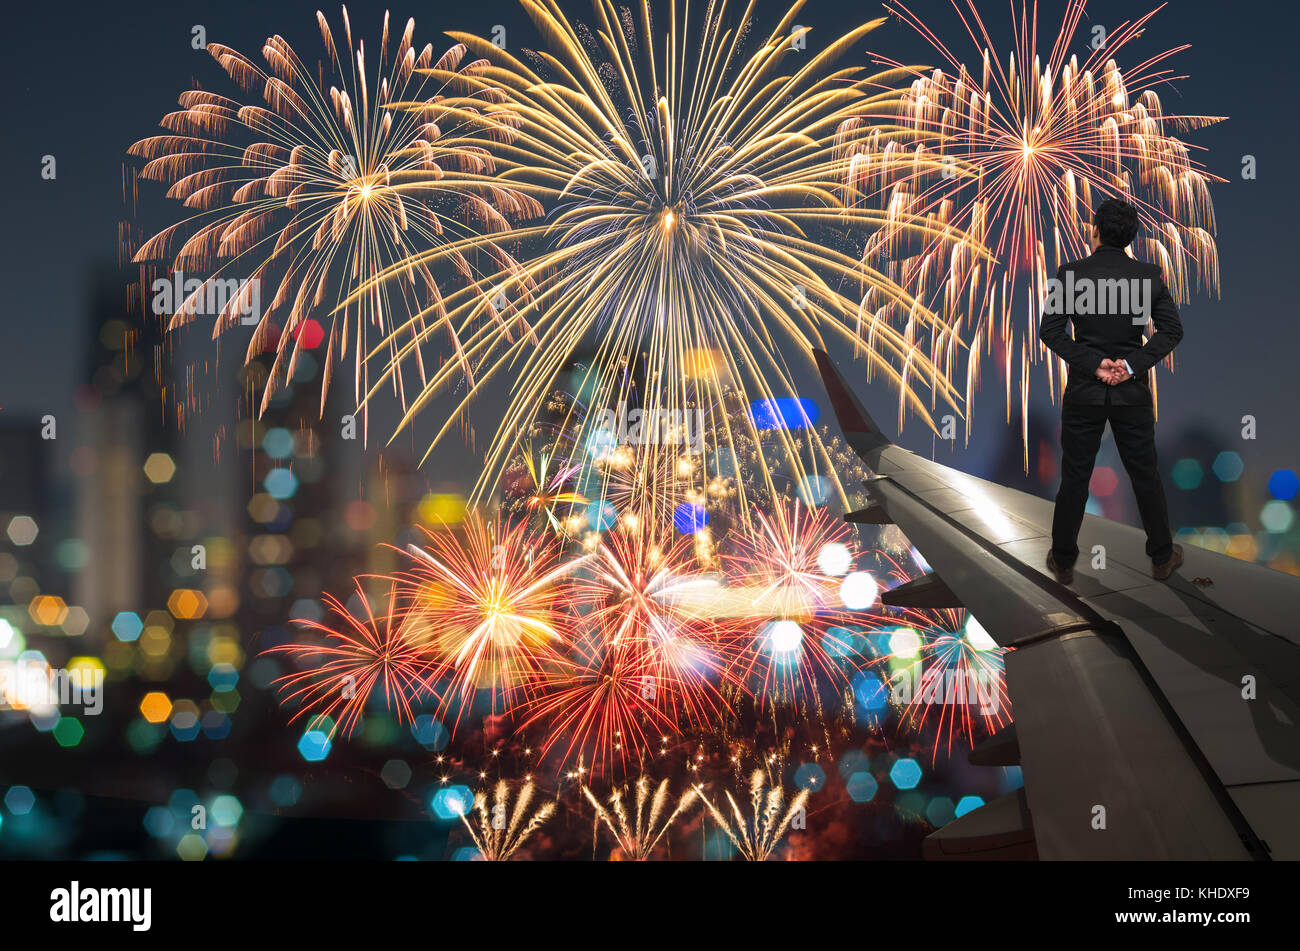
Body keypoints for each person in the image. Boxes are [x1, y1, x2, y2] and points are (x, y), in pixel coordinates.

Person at [1038, 198, 1184, 584]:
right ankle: (1162, 557)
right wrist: (1131, 364)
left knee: (1074, 476)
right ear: (1132, 236)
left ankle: (1064, 558)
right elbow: (1172, 331)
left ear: (1095, 230)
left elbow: (1050, 332)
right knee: (1144, 475)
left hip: (1085, 391)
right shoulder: (1148, 276)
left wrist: (1092, 363)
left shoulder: (1070, 274)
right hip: (1131, 392)